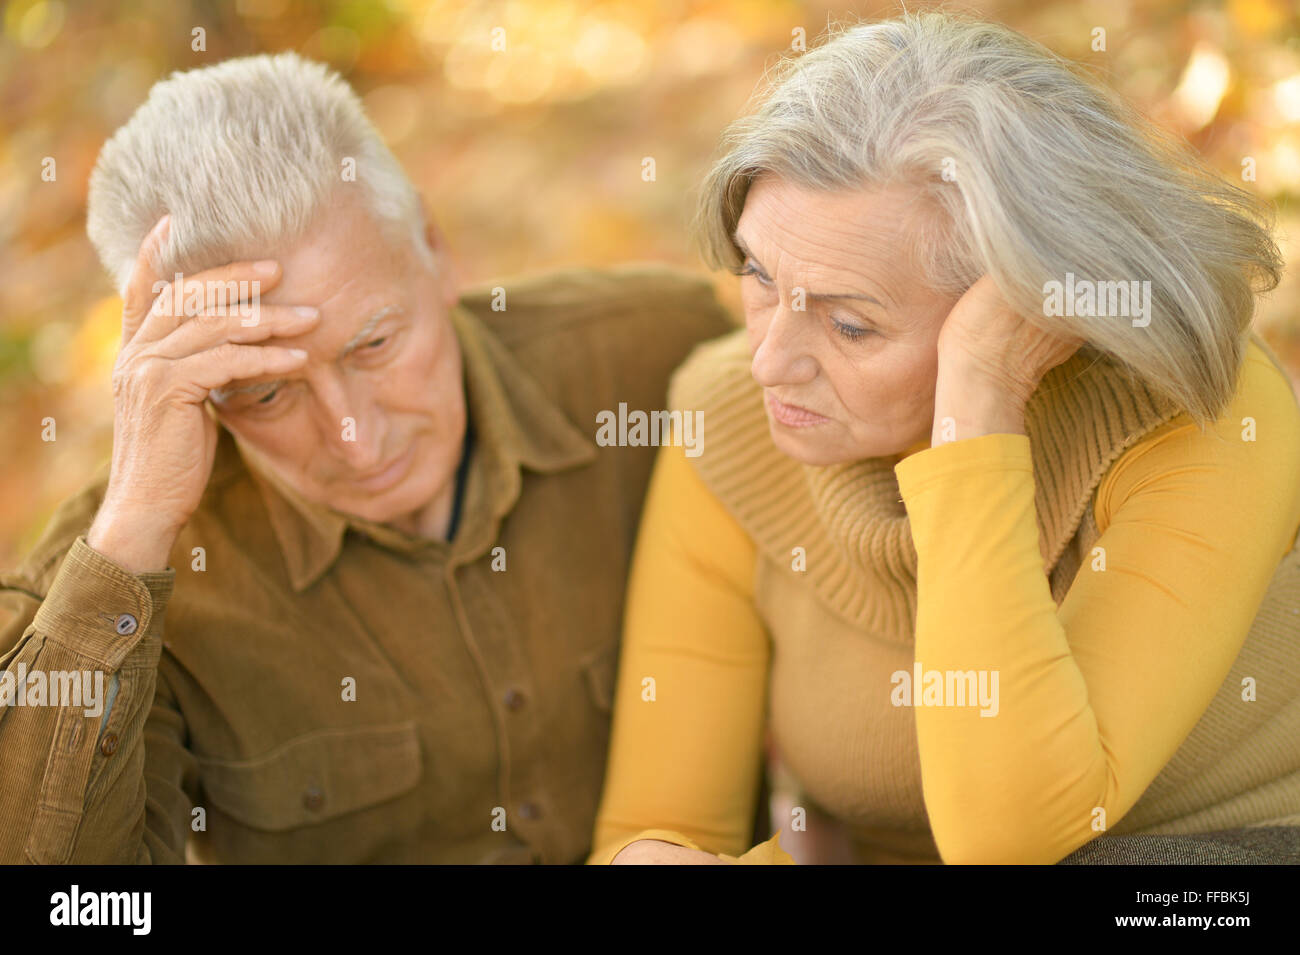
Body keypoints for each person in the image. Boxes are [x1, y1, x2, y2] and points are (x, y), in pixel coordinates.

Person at [589, 11, 1300, 865]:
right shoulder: (729, 414)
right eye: (759, 277)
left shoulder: (1196, 415)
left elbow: (1015, 839)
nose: (771, 361)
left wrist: (979, 403)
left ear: (1029, 307)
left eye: (851, 327)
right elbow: (659, 828)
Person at [0, 52, 734, 863]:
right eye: (266, 394)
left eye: (375, 343)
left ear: (433, 244)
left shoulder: (658, 359)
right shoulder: (109, 594)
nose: (354, 436)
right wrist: (135, 525)